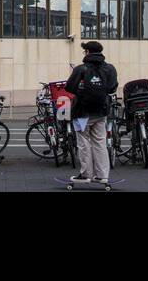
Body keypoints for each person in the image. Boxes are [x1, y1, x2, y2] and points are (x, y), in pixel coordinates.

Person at [64, 40, 118, 185]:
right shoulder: (110, 69)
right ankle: (102, 175)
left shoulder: (80, 69)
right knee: (100, 142)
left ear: (87, 52)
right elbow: (112, 88)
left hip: (82, 113)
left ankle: (86, 174)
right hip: (101, 112)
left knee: (83, 142)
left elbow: (69, 87)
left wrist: (82, 91)